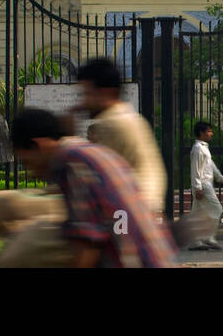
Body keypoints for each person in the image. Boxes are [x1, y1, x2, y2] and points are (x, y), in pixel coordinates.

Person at [10, 107, 176, 267]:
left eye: (27, 162)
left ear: (38, 145)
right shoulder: (89, 152)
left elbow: (86, 250)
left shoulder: (71, 163)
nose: (30, 172)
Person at [79, 57, 166, 216]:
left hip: (127, 213)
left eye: (87, 94)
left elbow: (98, 178)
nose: (83, 102)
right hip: (143, 207)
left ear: (106, 92)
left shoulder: (110, 123)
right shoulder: (130, 116)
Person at [184, 121, 223, 250]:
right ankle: (207, 236)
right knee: (217, 209)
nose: (211, 134)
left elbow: (211, 166)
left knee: (197, 213)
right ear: (201, 133)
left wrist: (222, 179)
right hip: (203, 185)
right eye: (209, 131)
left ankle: (195, 241)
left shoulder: (204, 148)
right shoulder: (198, 149)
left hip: (205, 184)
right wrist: (198, 188)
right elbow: (195, 170)